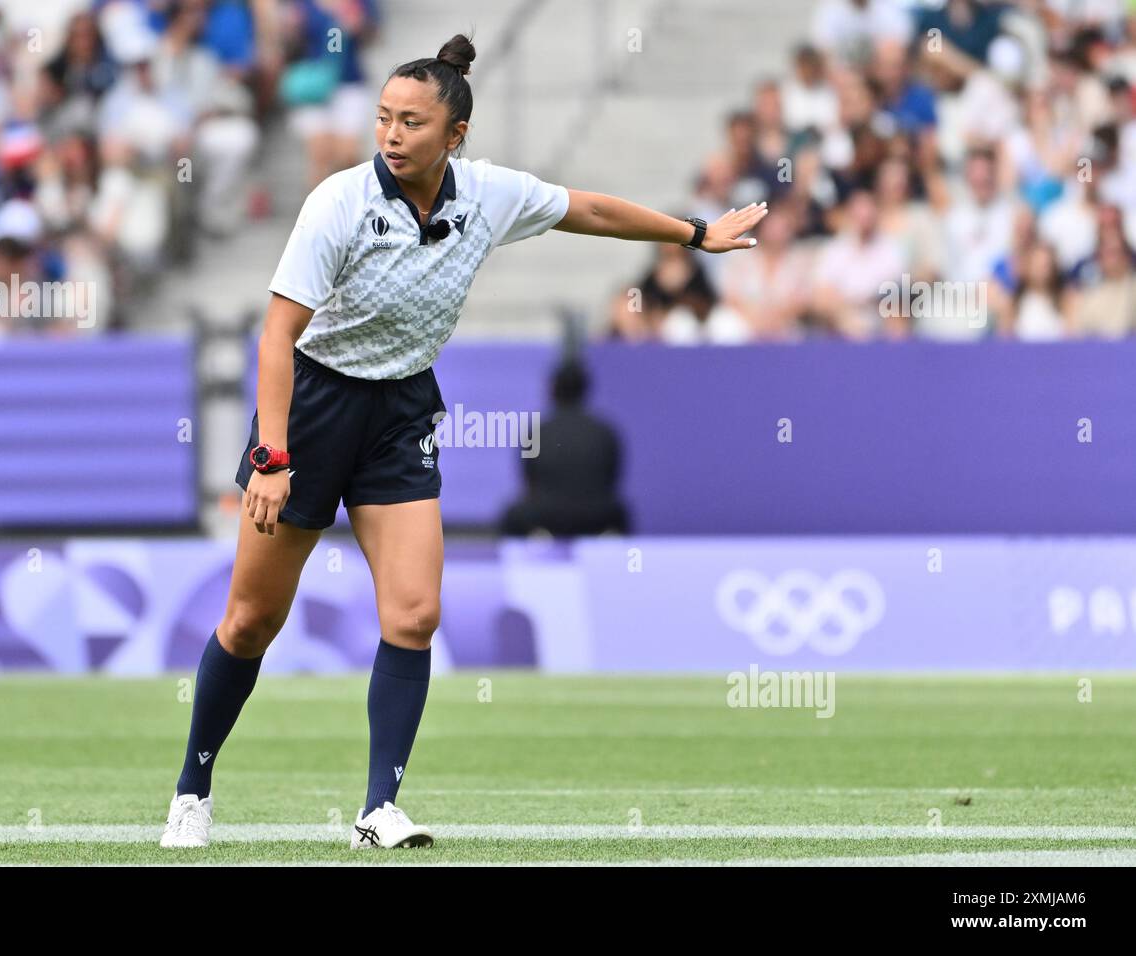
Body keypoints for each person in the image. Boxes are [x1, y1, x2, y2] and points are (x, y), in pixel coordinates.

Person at [159, 33, 767, 851]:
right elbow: (276, 337)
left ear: (455, 135)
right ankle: (192, 792)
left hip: (402, 409)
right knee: (250, 622)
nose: (391, 134)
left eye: (411, 121)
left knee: (414, 614)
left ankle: (378, 810)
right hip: (310, 408)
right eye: (383, 119)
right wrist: (271, 456)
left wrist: (693, 234)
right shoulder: (338, 203)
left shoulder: (489, 195)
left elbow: (586, 209)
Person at [500, 361, 628, 537]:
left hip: (546, 517)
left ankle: (538, 539)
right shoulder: (605, 432)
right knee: (620, 512)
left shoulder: (537, 432)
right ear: (585, 389)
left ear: (552, 389)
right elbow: (611, 481)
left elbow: (529, 483)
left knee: (512, 515)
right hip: (597, 516)